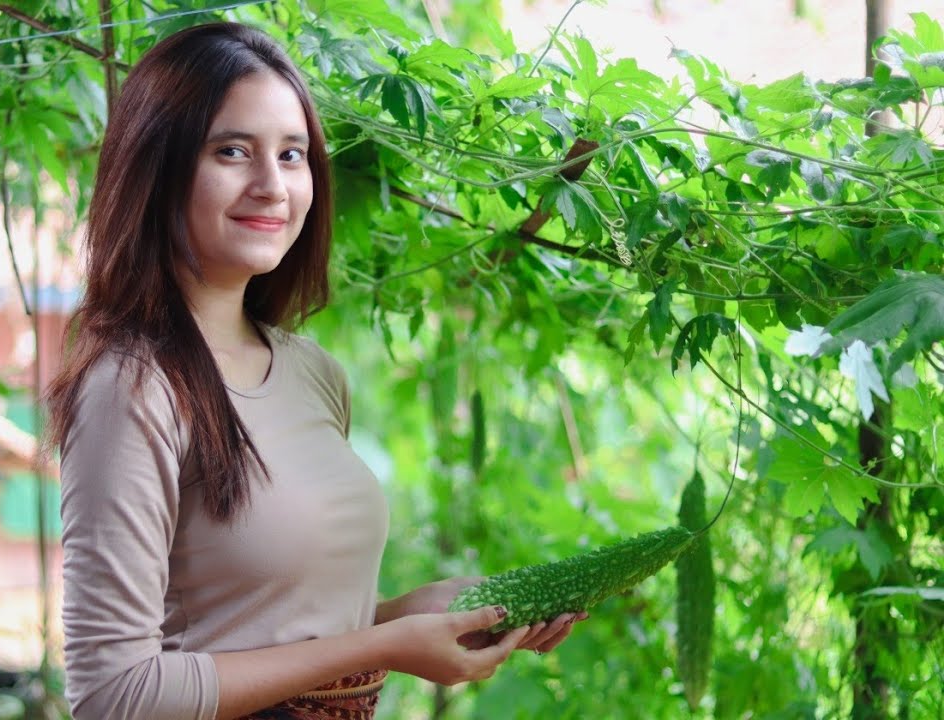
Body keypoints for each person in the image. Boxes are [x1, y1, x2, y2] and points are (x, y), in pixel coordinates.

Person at [45, 22, 585, 720]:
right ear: (157, 166)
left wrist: (406, 616)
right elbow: (113, 695)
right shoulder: (132, 387)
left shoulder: (314, 374)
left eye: (292, 154)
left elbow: (264, 629)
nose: (272, 185)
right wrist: (383, 646)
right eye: (232, 151)